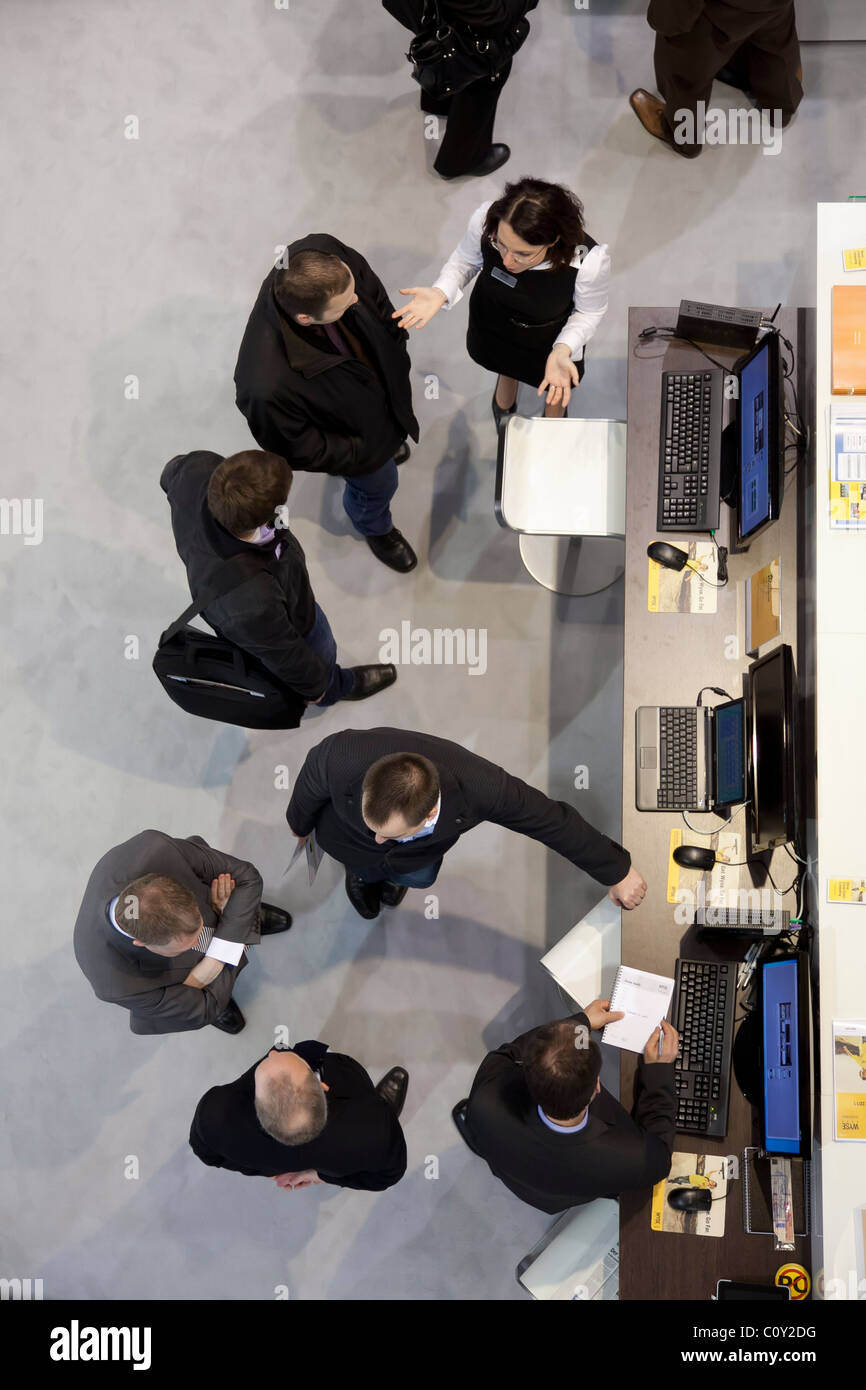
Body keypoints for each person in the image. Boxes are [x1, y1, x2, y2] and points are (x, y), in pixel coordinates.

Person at [285, 727, 647, 920]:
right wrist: (298, 823)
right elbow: (310, 781)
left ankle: (390, 875)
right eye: (375, 824)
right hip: (343, 837)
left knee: (421, 876)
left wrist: (617, 871)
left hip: (420, 855)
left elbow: (549, 820)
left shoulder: (484, 789)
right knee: (366, 862)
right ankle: (362, 876)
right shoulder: (341, 755)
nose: (378, 838)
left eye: (391, 833)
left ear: (429, 815)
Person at [234, 234, 419, 574]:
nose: (357, 301)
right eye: (347, 305)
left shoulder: (325, 255)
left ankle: (389, 440)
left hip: (377, 398)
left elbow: (373, 296)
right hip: (356, 442)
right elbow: (301, 448)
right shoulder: (264, 386)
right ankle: (374, 526)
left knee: (390, 438)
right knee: (379, 485)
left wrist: (395, 342)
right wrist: (363, 453)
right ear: (306, 318)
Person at [160, 449, 396, 710]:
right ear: (267, 517)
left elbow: (169, 474)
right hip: (293, 619)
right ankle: (337, 686)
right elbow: (288, 656)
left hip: (263, 590)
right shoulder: (251, 604)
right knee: (319, 652)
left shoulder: (197, 466)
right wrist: (317, 687)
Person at [392, 178, 609, 429]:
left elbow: (588, 311)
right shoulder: (488, 220)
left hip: (549, 339)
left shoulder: (587, 261)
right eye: (501, 245)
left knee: (554, 387)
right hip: (494, 321)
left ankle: (553, 424)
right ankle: (506, 395)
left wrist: (563, 348)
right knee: (504, 363)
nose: (507, 261)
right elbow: (466, 260)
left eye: (523, 254)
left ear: (553, 241)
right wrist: (441, 290)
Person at [452, 1003, 679, 1212]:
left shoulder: (486, 1097)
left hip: (525, 1183)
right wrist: (658, 1071)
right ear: (597, 1087)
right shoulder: (628, 1159)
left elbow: (512, 1052)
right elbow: (660, 1157)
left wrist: (580, 1023)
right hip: (567, 1189)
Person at [73, 830, 291, 1035]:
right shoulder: (113, 981)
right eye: (184, 946)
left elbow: (248, 878)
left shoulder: (155, 848)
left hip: (203, 942)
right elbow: (206, 1007)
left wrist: (220, 926)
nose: (207, 939)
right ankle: (244, 923)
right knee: (204, 1005)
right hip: (172, 987)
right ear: (142, 943)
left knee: (232, 900)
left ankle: (237, 921)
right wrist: (228, 944)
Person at [189, 1041, 408, 1193]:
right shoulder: (374, 1132)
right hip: (358, 1122)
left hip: (273, 1160)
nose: (274, 1052)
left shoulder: (215, 1117)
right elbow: (386, 1175)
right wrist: (320, 1175)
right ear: (323, 1087)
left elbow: (208, 1154)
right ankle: (380, 1104)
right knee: (371, 1107)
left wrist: (271, 1171)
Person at [384, 0, 539, 180]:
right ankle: (460, 162)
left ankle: (438, 101)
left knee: (438, 39)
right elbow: (494, 18)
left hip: (423, 7)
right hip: (474, 26)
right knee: (481, 80)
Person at [630, 0, 803, 158]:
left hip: (716, 12)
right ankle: (781, 107)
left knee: (683, 67)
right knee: (774, 43)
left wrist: (664, 19)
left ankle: (683, 136)